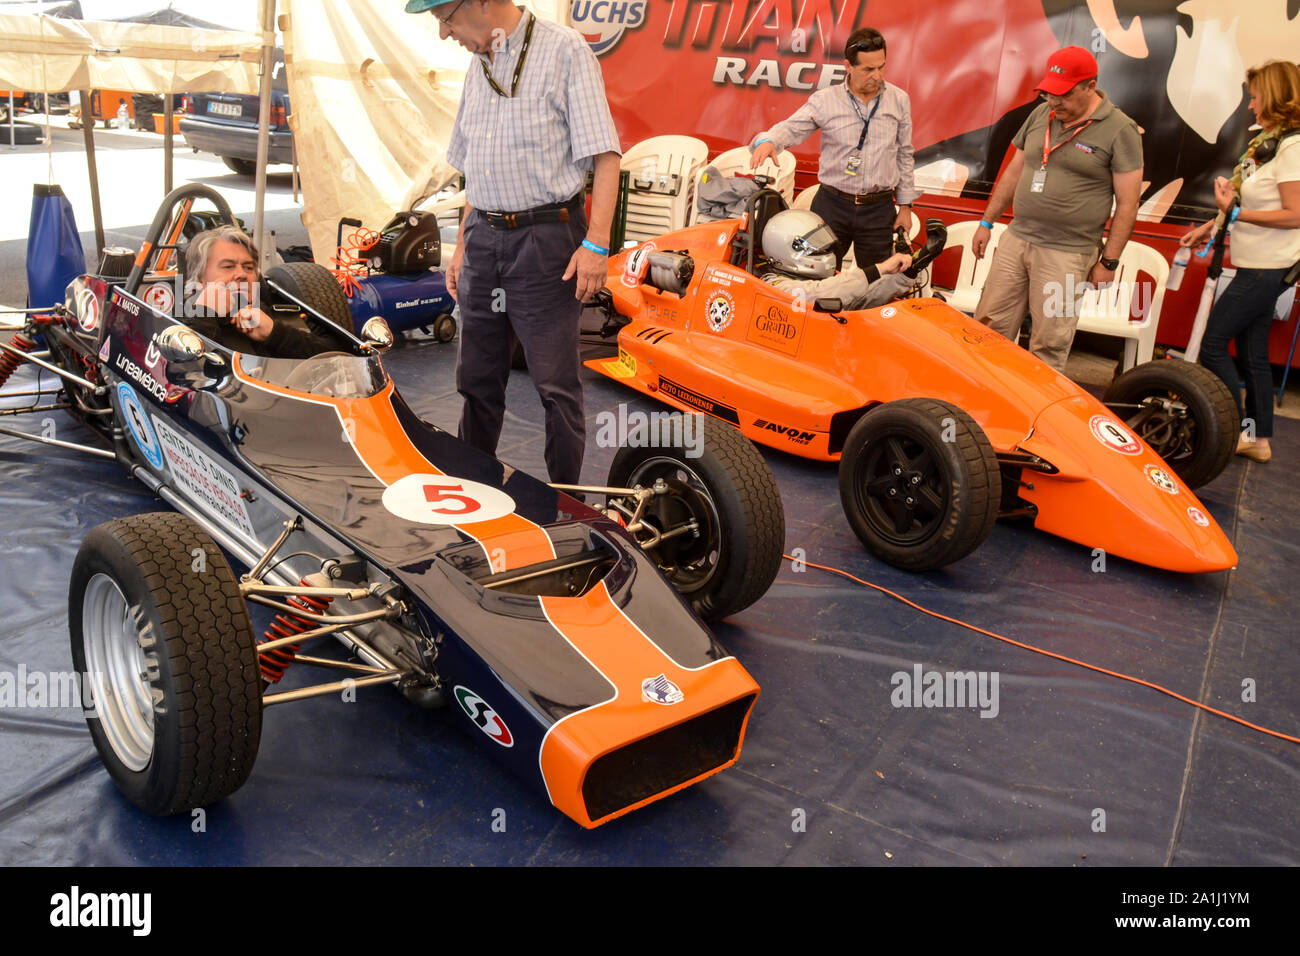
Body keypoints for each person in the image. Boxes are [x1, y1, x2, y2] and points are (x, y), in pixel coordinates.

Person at [408, 0, 621, 486]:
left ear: (480, 3)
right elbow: (473, 165)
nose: (444, 34)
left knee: (554, 387)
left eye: (445, 19)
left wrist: (596, 244)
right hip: (484, 238)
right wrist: (463, 247)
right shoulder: (478, 64)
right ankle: (472, 490)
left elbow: (606, 156)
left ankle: (566, 503)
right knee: (477, 380)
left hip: (546, 241)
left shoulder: (564, 50)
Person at [971, 46, 1144, 374]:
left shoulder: (1121, 129)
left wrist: (1109, 261)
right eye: (1049, 93)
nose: (1054, 102)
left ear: (1090, 87)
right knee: (988, 328)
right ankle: (982, 394)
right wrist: (987, 222)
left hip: (1067, 254)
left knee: (1049, 342)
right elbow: (1014, 171)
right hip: (1017, 240)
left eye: (1063, 95)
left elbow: (1128, 203)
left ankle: (1034, 405)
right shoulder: (1041, 114)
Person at [1181, 60, 1300, 465]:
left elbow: (1295, 214)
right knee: (1252, 354)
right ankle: (1256, 438)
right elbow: (1243, 201)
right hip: (1258, 264)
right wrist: (1211, 226)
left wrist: (1234, 213)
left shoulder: (1293, 148)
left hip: (1268, 268)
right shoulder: (1269, 145)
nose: (1250, 105)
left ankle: (1230, 430)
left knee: (1214, 343)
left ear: (1276, 97)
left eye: (1255, 97)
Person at [748, 27, 917, 270]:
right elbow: (791, 128)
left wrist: (905, 207)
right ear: (848, 66)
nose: (877, 76)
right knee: (820, 274)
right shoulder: (825, 100)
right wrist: (767, 141)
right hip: (832, 205)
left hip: (878, 209)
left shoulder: (899, 100)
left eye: (881, 67)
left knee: (878, 280)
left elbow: (905, 155)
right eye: (868, 69)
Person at [183, 226, 340, 359]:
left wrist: (276, 334)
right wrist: (203, 315)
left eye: (248, 267)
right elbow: (191, 372)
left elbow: (341, 357)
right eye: (228, 267)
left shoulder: (281, 308)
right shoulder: (181, 324)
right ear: (200, 278)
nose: (242, 274)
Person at [758, 209, 916, 308]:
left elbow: (861, 299)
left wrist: (908, 272)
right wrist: (880, 268)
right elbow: (823, 292)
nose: (826, 251)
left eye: (824, 245)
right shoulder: (775, 287)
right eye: (817, 247)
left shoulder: (824, 281)